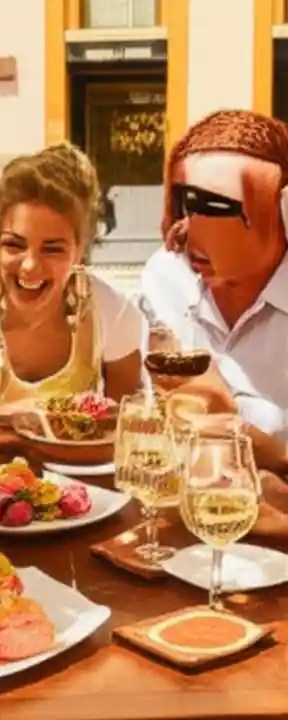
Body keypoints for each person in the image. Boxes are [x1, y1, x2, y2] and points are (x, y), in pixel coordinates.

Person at [0, 144, 144, 405]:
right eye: (14, 245)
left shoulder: (112, 313)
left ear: (79, 251)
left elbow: (125, 425)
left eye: (52, 249)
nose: (29, 266)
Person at [142, 110, 288, 476]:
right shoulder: (165, 277)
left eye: (218, 207)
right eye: (187, 204)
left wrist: (227, 419)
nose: (193, 230)